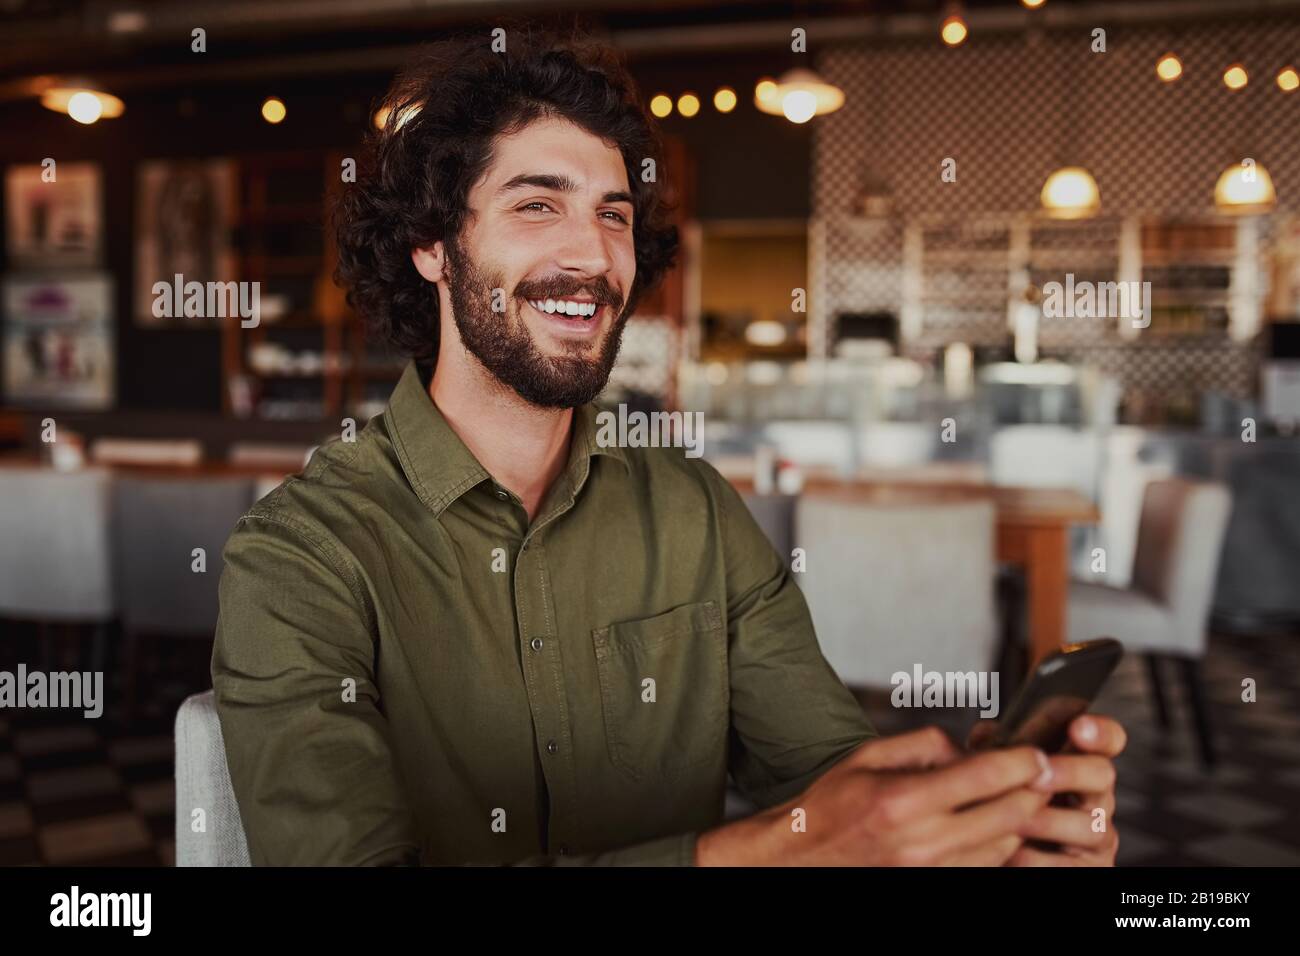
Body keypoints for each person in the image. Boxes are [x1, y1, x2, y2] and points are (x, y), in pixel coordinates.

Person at [211, 23, 1124, 866]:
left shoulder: (694, 512)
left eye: (614, 215)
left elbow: (827, 786)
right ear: (431, 247)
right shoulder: (302, 558)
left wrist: (977, 820)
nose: (594, 257)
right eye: (537, 205)